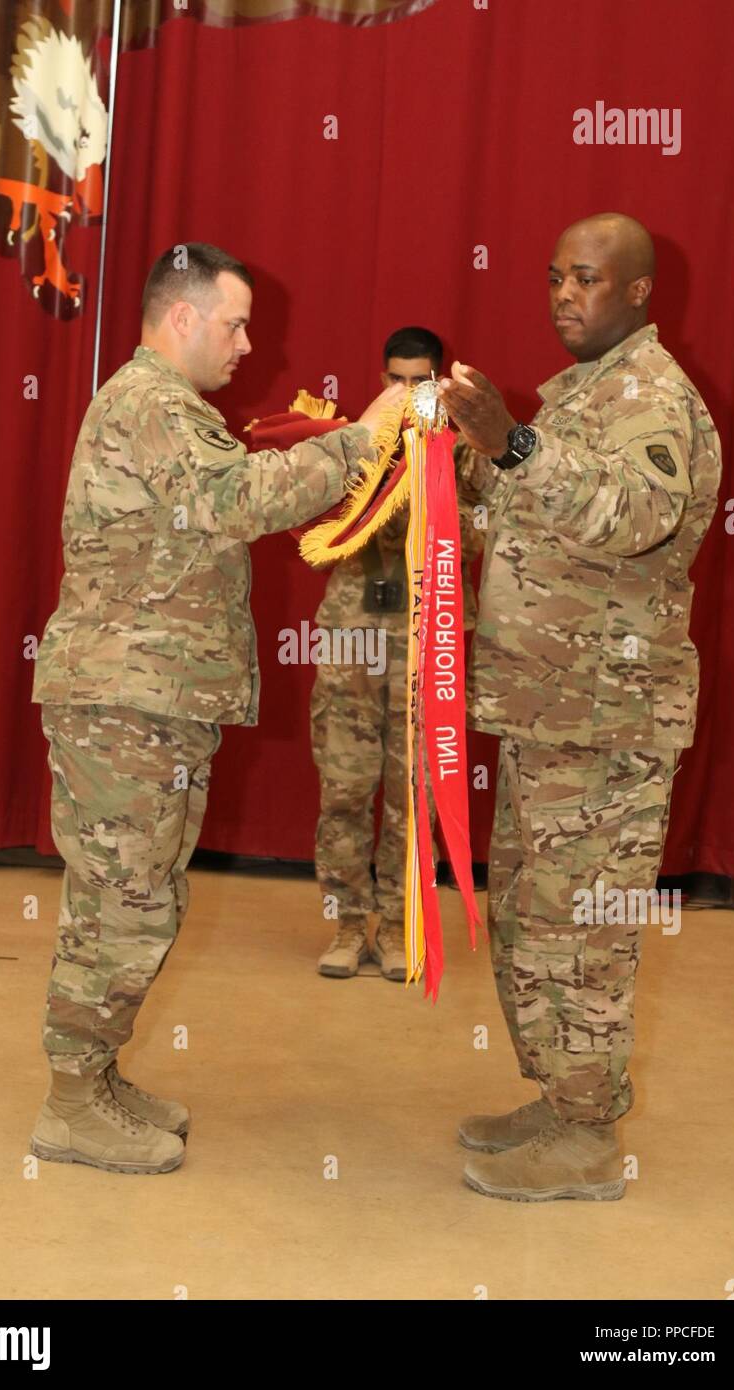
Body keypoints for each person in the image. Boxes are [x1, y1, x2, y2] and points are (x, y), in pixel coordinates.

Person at [29, 242, 403, 1175]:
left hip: (147, 701)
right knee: (120, 905)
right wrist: (364, 440)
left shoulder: (161, 406)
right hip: (126, 701)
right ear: (183, 317)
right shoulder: (152, 403)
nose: (247, 344)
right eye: (235, 323)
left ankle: (98, 1074)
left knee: (141, 898)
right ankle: (71, 1101)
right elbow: (237, 497)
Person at [439, 213, 721, 1201]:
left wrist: (509, 444)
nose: (564, 294)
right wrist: (452, 479)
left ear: (638, 292)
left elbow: (631, 518)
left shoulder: (649, 398)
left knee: (585, 930)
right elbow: (530, 526)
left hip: (606, 722)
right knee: (531, 917)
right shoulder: (580, 399)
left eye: (588, 279)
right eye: (555, 276)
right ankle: (561, 1102)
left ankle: (589, 1136)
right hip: (549, 711)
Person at [312, 327, 483, 981]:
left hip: (425, 640)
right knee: (344, 786)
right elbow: (320, 519)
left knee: (415, 795)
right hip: (353, 636)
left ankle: (401, 924)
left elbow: (476, 538)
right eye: (395, 379)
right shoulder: (355, 442)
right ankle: (348, 925)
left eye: (419, 380)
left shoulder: (466, 454)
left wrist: (435, 483)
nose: (406, 392)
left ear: (440, 382)